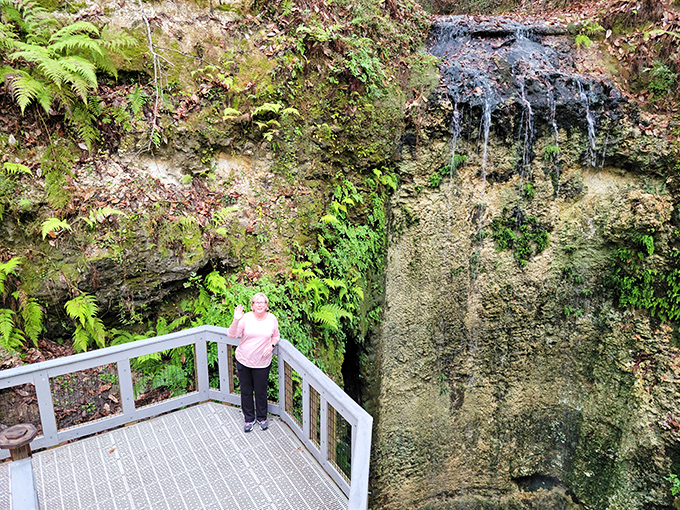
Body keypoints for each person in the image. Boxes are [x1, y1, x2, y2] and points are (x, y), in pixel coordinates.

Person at [227, 292, 280, 432]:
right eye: (256, 302)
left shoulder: (272, 319)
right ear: (252, 305)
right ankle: (248, 419)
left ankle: (262, 417)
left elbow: (276, 336)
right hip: (244, 360)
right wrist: (236, 319)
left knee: (261, 391)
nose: (259, 304)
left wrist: (271, 346)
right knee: (246, 391)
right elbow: (232, 335)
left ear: (267, 305)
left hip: (262, 362)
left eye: (262, 302)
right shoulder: (245, 318)